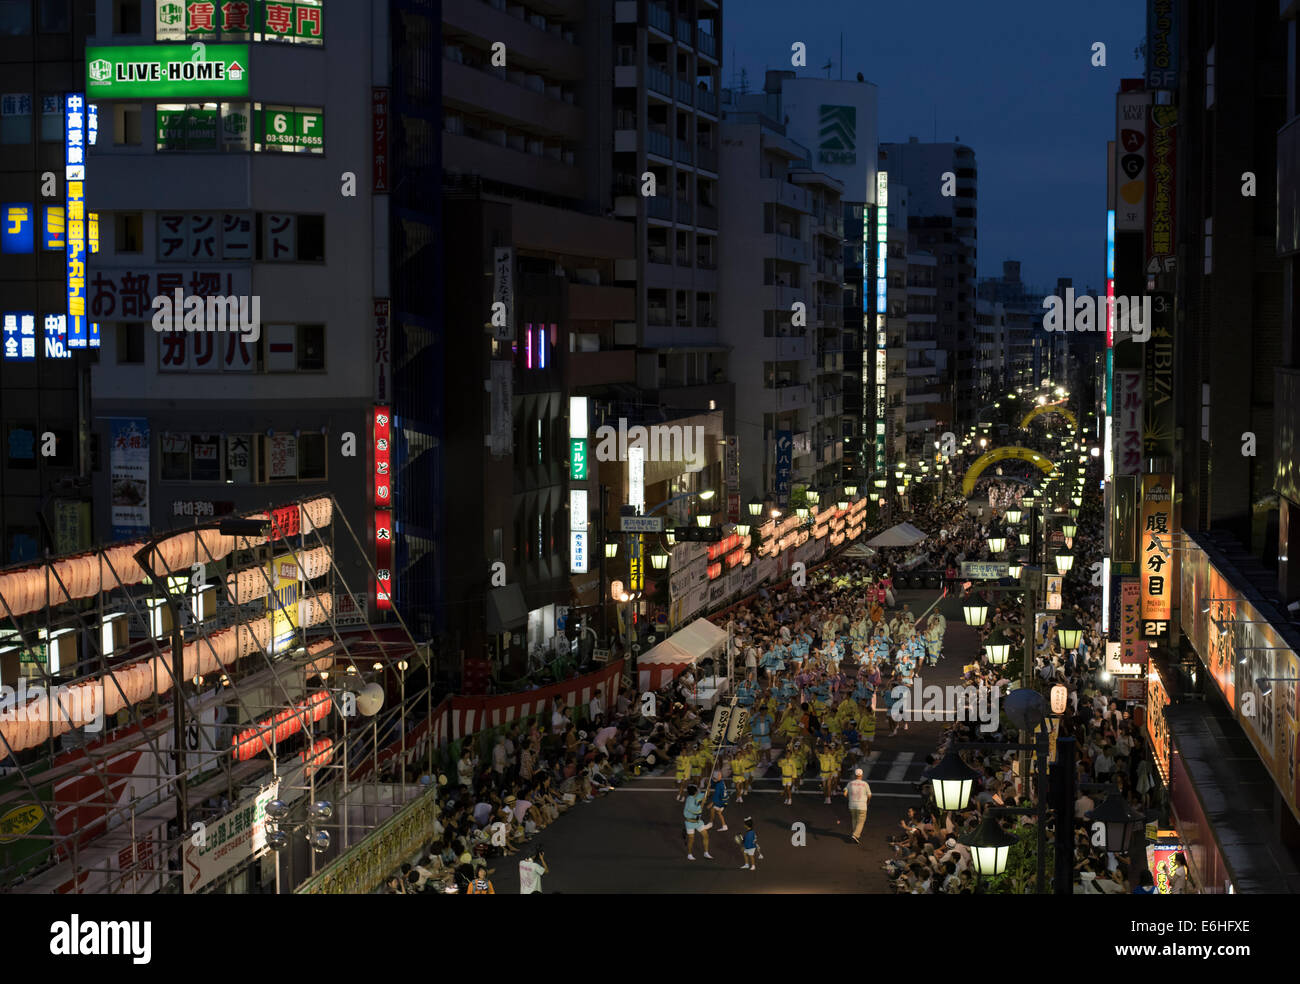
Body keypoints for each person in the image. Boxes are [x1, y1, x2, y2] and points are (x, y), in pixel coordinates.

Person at [683, 784, 713, 861]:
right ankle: (689, 854)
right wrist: (702, 803)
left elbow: (707, 794)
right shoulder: (689, 802)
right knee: (691, 839)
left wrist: (708, 788)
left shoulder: (696, 795)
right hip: (689, 823)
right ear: (695, 792)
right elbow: (698, 811)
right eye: (697, 790)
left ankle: (706, 853)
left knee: (706, 835)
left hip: (698, 822)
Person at [844, 767, 872, 844]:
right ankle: (855, 835)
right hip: (862, 805)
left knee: (854, 819)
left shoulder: (850, 783)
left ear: (855, 775)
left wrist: (849, 798)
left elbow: (845, 793)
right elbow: (869, 795)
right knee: (861, 821)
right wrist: (867, 802)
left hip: (852, 804)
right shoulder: (865, 784)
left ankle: (854, 834)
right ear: (862, 775)